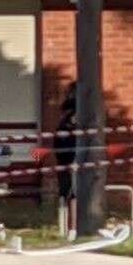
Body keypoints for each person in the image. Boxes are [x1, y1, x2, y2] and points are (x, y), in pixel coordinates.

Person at [55, 84, 79, 239]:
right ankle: (72, 228)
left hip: (66, 159)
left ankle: (71, 229)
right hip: (71, 160)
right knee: (72, 195)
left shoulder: (65, 116)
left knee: (70, 194)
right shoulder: (71, 117)